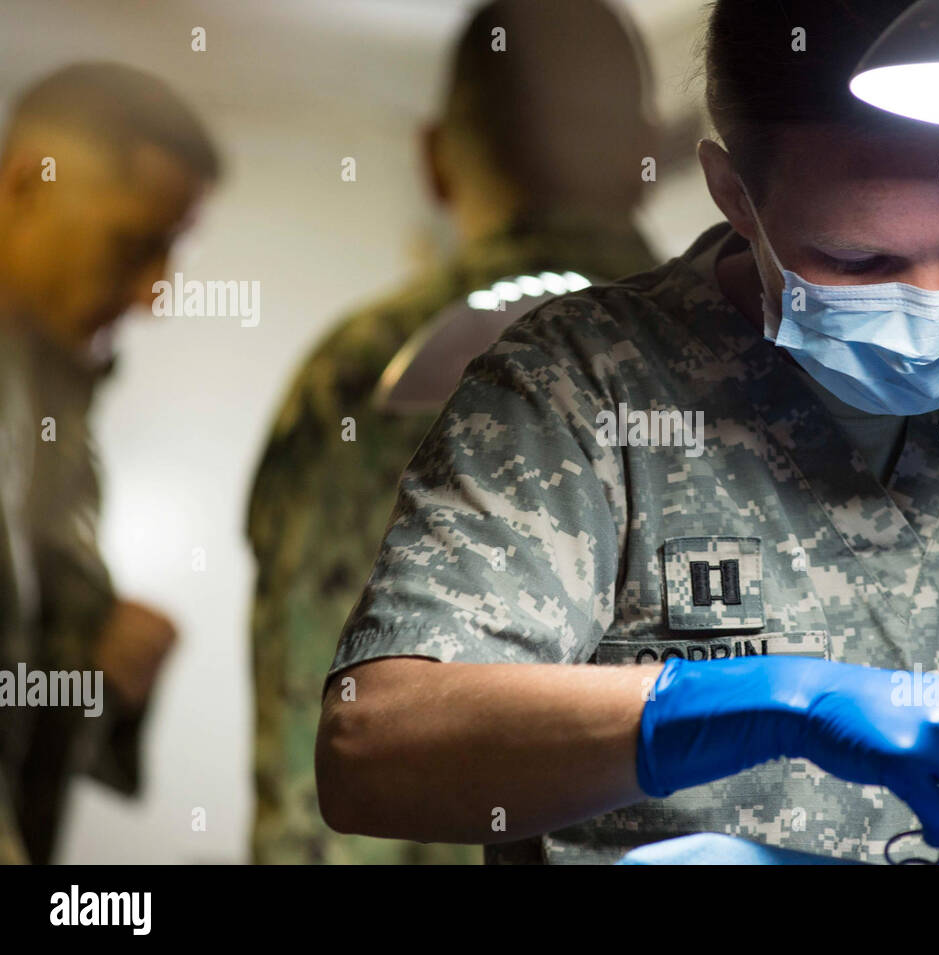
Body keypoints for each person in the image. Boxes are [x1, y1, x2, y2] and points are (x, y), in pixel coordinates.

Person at [315, 0, 939, 865]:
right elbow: (371, 749)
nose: (932, 299)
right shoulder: (581, 388)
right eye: (859, 262)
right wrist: (766, 701)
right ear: (733, 194)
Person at [246, 0, 659, 864]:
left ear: (435, 161)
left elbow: (293, 693)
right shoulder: (738, 353)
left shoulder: (350, 371)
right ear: (647, 157)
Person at [0, 62, 218, 863]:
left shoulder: (49, 395)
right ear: (27, 183)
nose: (154, 294)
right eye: (133, 246)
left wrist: (96, 653)